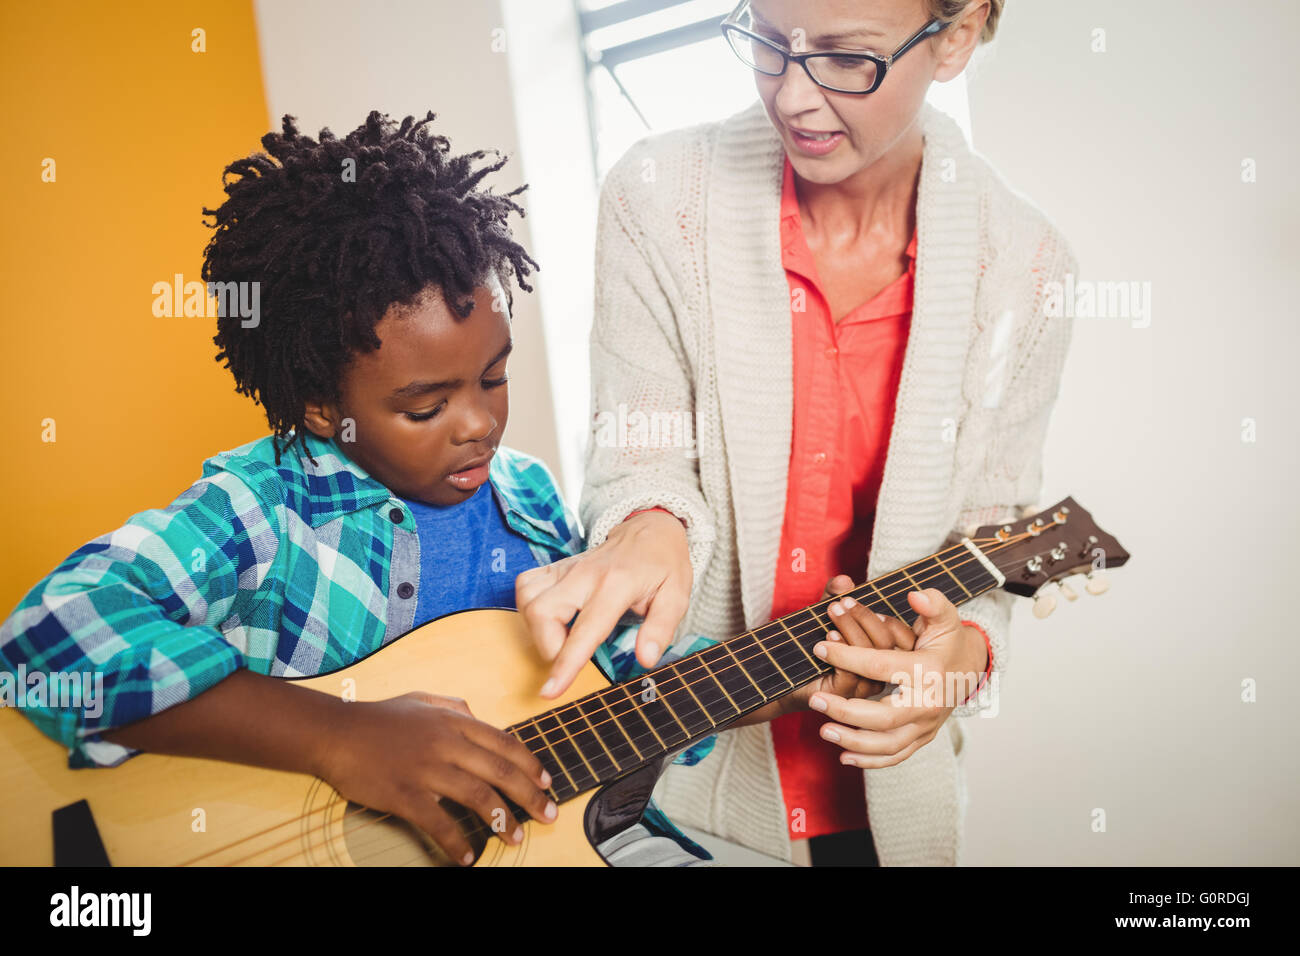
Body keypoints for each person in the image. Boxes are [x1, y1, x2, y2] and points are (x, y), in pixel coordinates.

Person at [0, 111, 710, 866]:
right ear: (320, 406)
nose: (478, 423)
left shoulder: (528, 498)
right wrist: (338, 738)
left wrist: (773, 676)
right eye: (426, 407)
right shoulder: (262, 509)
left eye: (494, 377)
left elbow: (607, 673)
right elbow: (48, 636)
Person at [517, 0, 1077, 866]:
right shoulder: (656, 197)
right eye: (771, 42)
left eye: (849, 59)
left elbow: (992, 545)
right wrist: (648, 522)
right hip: (660, 791)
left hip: (877, 803)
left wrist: (964, 653)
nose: (793, 98)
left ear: (958, 34)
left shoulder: (1031, 270)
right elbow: (640, 454)